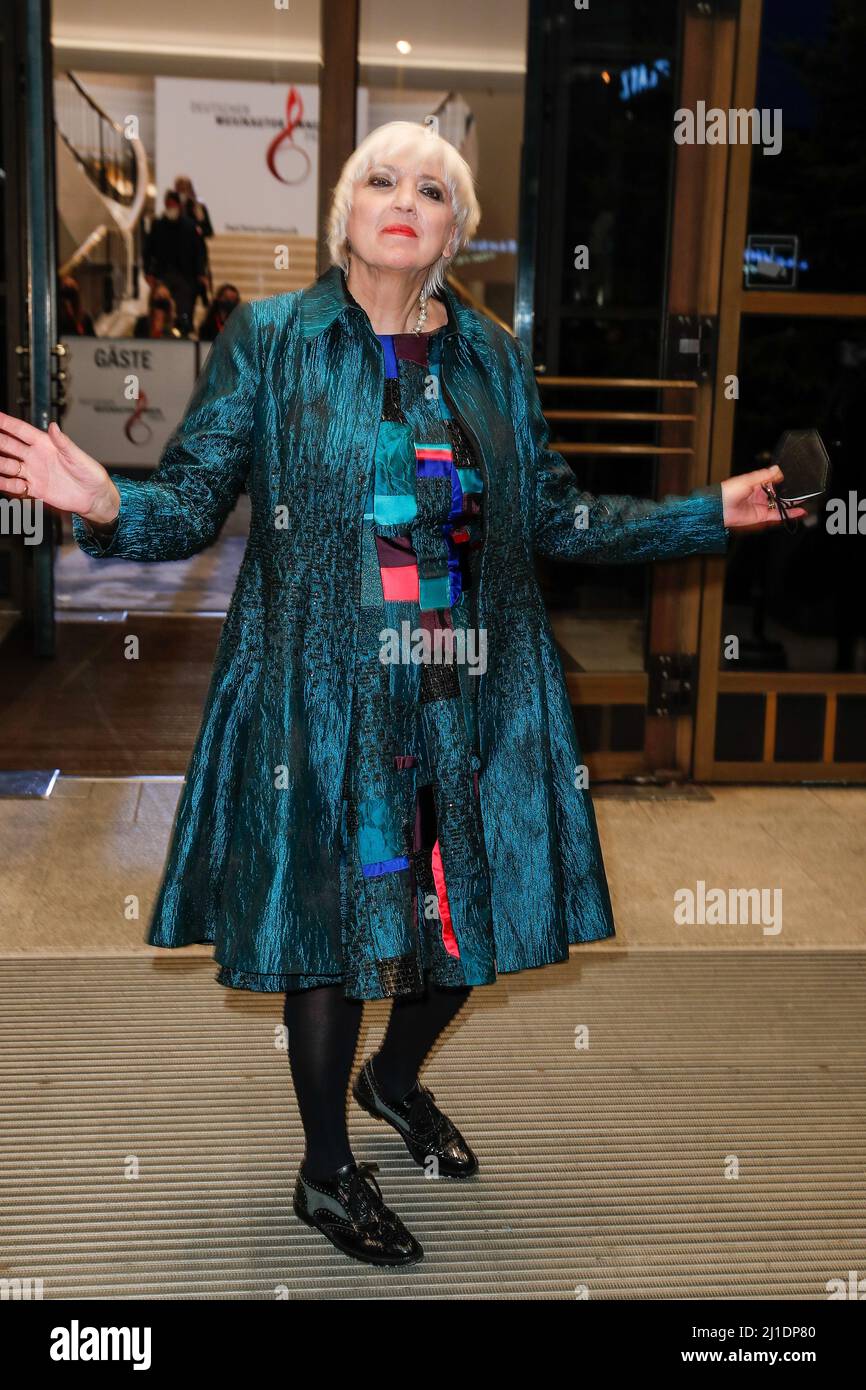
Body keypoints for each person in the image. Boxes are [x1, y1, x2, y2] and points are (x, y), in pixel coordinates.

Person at [0, 120, 806, 1270]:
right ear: (344, 213)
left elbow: (558, 518)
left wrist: (703, 512)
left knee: (457, 932)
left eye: (430, 188)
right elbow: (186, 505)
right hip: (320, 704)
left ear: (452, 232)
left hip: (463, 703)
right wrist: (105, 501)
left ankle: (392, 1077)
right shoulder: (271, 340)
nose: (402, 197)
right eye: (380, 177)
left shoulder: (487, 359)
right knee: (327, 943)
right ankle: (325, 1173)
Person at [142, 190, 205, 336]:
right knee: (160, 306)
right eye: (168, 204)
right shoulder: (158, 225)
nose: (170, 207)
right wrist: (148, 272)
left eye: (173, 204)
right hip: (162, 276)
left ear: (179, 205)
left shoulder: (189, 226)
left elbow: (199, 251)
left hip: (185, 276)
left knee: (184, 309)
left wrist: (201, 273)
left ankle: (183, 333)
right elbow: (148, 250)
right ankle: (158, 332)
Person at [174, 175, 214, 310]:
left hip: (195, 254)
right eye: (179, 188)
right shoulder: (174, 208)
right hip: (177, 255)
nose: (182, 192)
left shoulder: (198, 207)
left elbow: (208, 230)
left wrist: (198, 229)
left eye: (185, 188)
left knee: (195, 288)